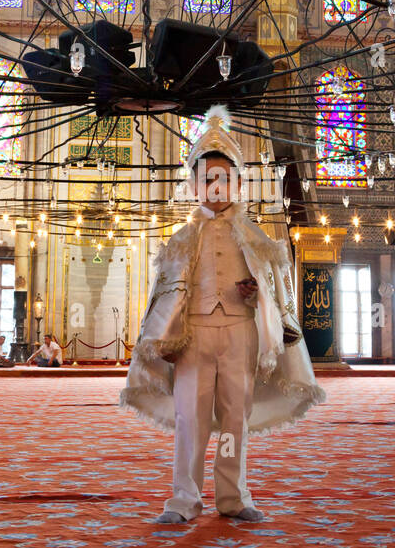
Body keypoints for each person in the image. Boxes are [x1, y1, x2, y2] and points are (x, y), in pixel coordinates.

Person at [120, 104, 325, 525]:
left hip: (239, 333)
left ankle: (233, 497)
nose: (215, 186)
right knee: (189, 419)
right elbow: (163, 296)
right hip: (191, 337)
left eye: (223, 179)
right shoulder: (179, 240)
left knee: (236, 419)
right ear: (195, 184)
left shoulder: (256, 238)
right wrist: (163, 342)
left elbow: (275, 294)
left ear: (236, 183)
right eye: (207, 179)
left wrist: (255, 295)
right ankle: (183, 501)